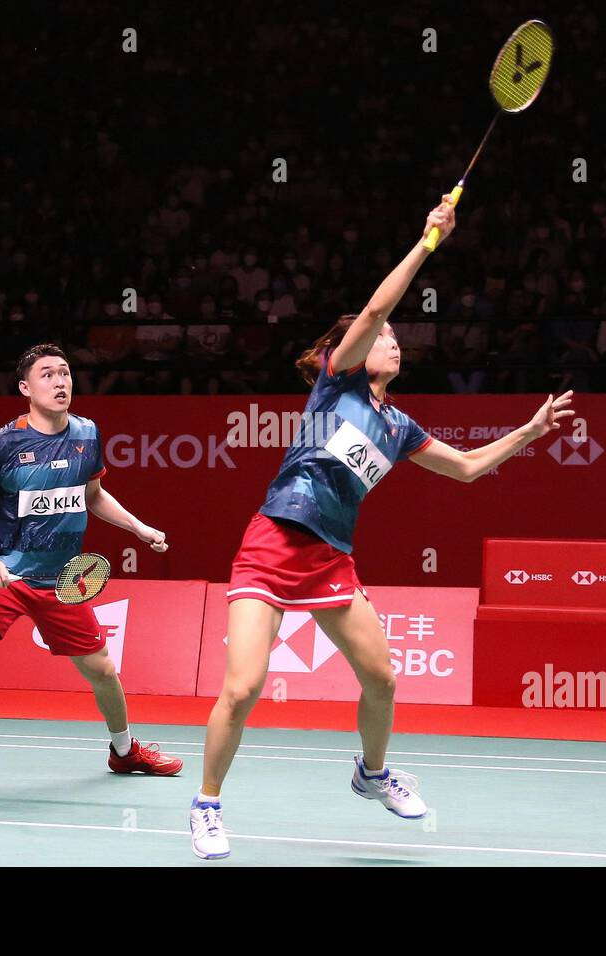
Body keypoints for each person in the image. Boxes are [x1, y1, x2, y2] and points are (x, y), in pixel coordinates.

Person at [188, 199, 575, 859]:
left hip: (331, 561)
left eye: (396, 338)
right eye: (386, 337)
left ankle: (371, 775)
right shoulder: (335, 388)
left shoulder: (398, 428)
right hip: (272, 544)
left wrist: (530, 432)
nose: (393, 339)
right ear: (354, 352)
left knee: (384, 679)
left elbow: (469, 468)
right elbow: (372, 312)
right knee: (243, 685)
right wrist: (428, 241)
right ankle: (207, 806)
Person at [0, 343, 182, 799]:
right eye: (47, 374)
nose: (60, 381)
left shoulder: (87, 432)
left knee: (103, 672)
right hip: (6, 575)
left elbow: (93, 495)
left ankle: (124, 751)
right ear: (26, 388)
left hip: (64, 582)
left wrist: (138, 527)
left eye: (65, 373)